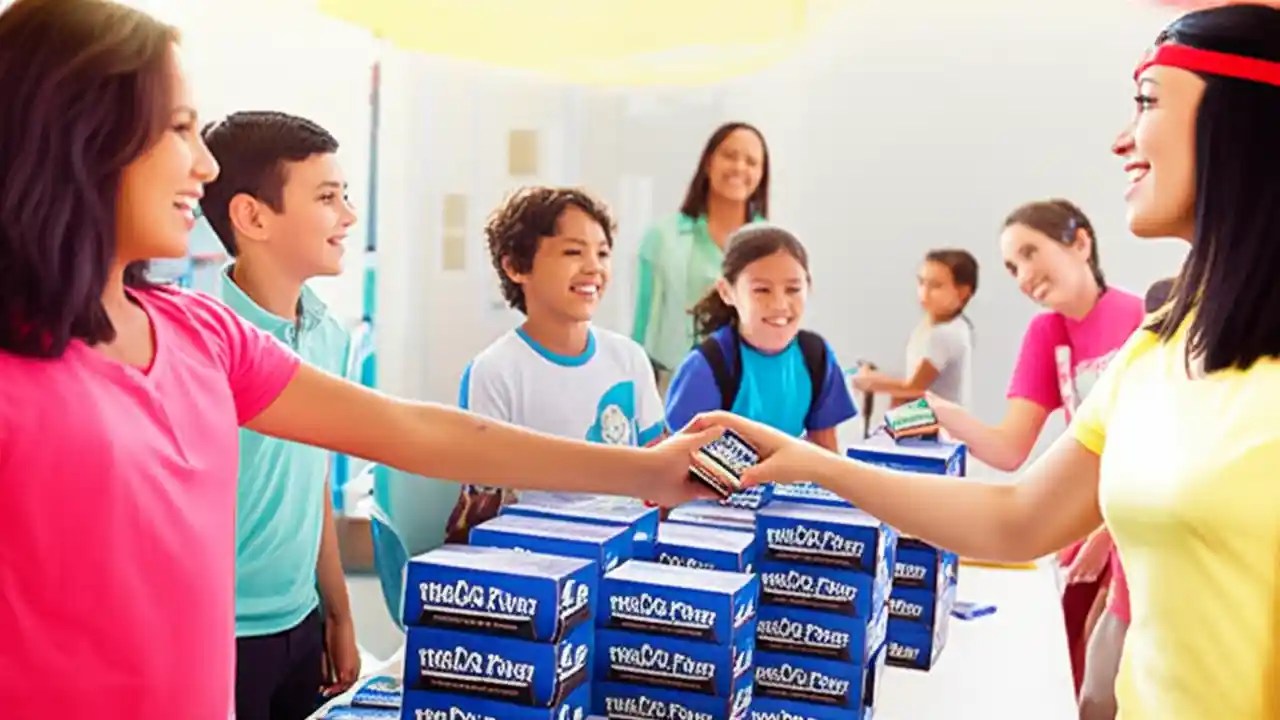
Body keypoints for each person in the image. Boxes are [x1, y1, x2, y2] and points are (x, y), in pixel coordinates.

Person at [0, 2, 722, 717]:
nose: (205, 164)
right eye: (179, 128)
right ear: (81, 136)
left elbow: (411, 431)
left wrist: (648, 469)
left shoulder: (202, 334)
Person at [685, 5, 1280, 716]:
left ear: (1244, 122)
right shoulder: (1156, 346)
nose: (1122, 139)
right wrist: (816, 465)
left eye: (1147, 103)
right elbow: (1018, 517)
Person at [928, 199, 1145, 697]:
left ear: (1081, 243)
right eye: (1012, 267)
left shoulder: (1143, 317)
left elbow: (1158, 446)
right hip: (1092, 524)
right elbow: (1008, 448)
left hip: (1133, 527)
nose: (1023, 276)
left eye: (1030, 253)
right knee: (1081, 678)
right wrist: (941, 412)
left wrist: (1106, 532)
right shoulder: (1046, 333)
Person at [199, 110, 361, 719]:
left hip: (301, 621)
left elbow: (313, 475)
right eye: (327, 197)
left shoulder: (328, 333)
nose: (348, 216)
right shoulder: (201, 343)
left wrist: (337, 609)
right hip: (219, 634)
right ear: (252, 217)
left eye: (345, 195)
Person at [445, 186, 665, 542]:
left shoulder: (629, 358)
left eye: (603, 253)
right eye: (573, 252)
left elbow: (659, 469)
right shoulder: (495, 371)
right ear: (516, 266)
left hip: (627, 544)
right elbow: (483, 501)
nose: (594, 267)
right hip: (536, 553)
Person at [663, 224, 857, 453]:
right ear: (726, 292)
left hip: (789, 476)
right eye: (762, 290)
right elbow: (676, 461)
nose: (780, 304)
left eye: (793, 289)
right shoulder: (707, 366)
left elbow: (827, 456)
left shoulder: (817, 356)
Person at [631, 122, 770, 391]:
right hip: (672, 386)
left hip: (748, 389)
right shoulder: (662, 237)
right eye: (729, 155)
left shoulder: (772, 245)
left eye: (751, 162)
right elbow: (642, 326)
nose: (739, 167)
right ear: (708, 162)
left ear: (762, 175)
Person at [853, 248, 979, 407]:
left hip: (937, 420)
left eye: (936, 286)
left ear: (962, 292)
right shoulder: (949, 327)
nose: (924, 293)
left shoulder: (944, 335)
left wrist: (871, 383)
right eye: (921, 283)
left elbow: (915, 388)